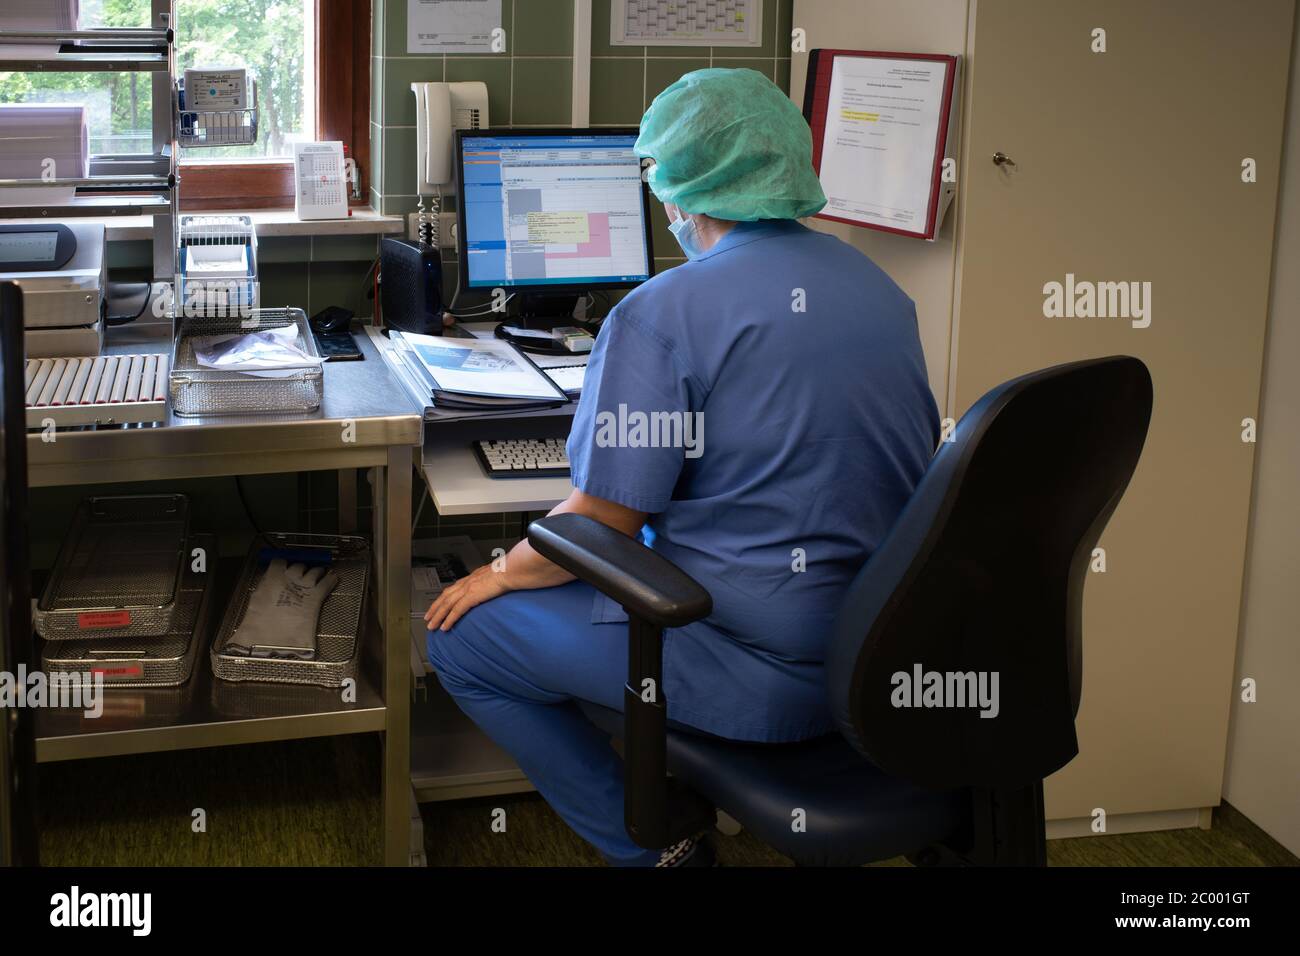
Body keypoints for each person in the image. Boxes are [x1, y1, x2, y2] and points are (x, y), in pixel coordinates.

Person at [424, 68, 939, 867]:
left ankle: (660, 849)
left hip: (761, 666)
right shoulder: (880, 290)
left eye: (655, 170)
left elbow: (600, 523)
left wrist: (496, 573)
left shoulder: (661, 313)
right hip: (884, 653)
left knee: (462, 641)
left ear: (680, 188)